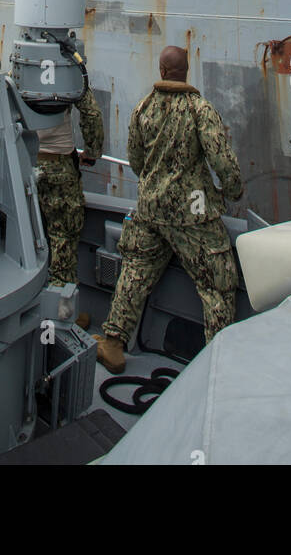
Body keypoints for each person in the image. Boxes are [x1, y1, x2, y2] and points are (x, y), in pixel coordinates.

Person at [94, 45, 243, 374]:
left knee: (135, 271)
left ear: (162, 71)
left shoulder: (143, 109)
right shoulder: (199, 110)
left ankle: (114, 343)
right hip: (192, 213)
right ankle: (219, 363)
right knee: (216, 283)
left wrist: (155, 185)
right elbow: (221, 160)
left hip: (150, 209)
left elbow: (135, 160)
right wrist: (232, 190)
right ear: (186, 71)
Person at [36, 75, 103, 290]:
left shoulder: (19, 63)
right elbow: (91, 113)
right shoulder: (67, 69)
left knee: (27, 228)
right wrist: (92, 152)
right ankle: (60, 304)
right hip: (60, 165)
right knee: (63, 235)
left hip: (23, 164)